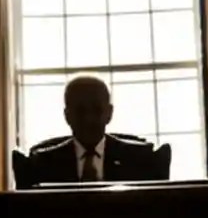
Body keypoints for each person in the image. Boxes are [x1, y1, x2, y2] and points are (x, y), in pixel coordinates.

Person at [26, 75, 160, 184]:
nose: (88, 119)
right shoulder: (41, 164)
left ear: (109, 113)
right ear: (67, 116)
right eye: (80, 111)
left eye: (97, 110)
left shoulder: (141, 160)